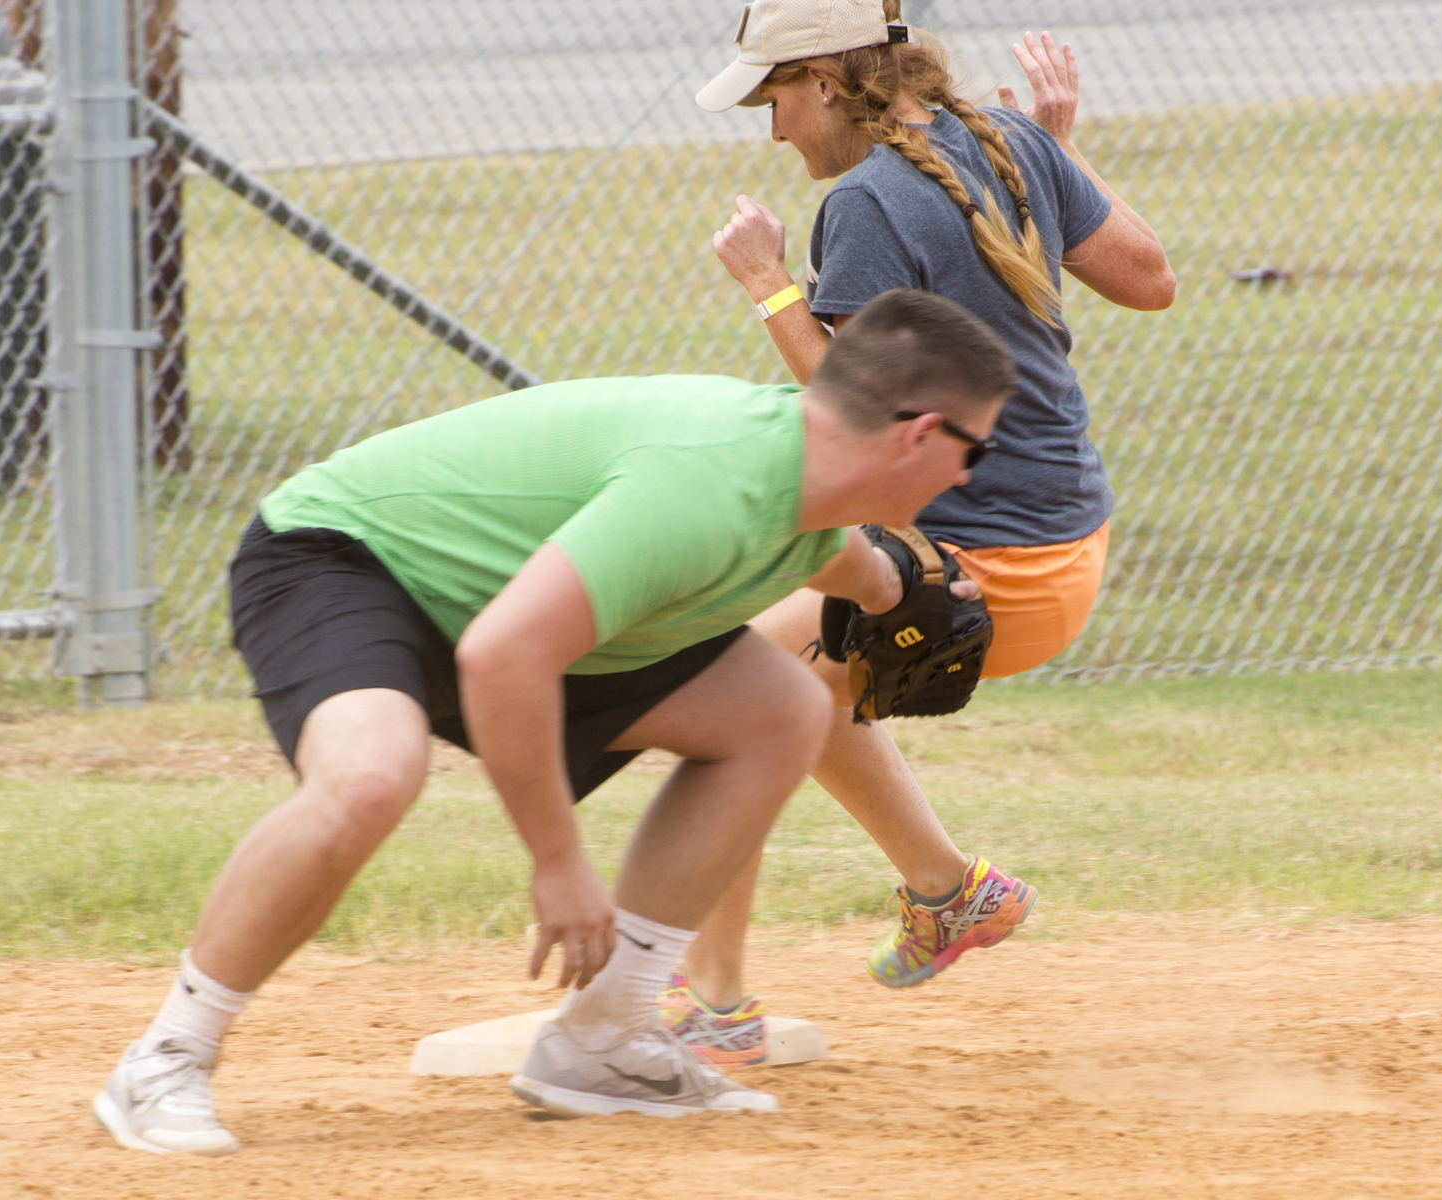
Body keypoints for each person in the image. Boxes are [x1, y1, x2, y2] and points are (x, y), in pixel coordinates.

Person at [90, 289, 1018, 1153]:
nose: (972, 475)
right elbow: (503, 656)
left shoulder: (804, 480)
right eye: (975, 450)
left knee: (779, 710)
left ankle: (605, 1038)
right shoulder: (709, 482)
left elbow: (847, 562)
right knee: (371, 775)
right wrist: (559, 861)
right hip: (353, 561)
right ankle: (167, 1056)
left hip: (510, 606)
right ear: (920, 433)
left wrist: (909, 586)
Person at [664, 0, 1175, 1069]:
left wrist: (768, 290)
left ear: (827, 81)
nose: (772, 131)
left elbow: (864, 431)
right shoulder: (1007, 138)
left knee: (728, 695)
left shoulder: (864, 204)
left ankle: (713, 1009)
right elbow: (1149, 278)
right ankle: (950, 894)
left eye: (775, 99)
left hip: (980, 574)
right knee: (804, 686)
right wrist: (1057, 156)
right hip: (1068, 552)